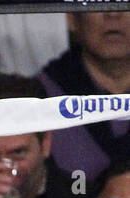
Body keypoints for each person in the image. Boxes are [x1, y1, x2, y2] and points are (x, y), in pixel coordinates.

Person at [39, 11, 130, 183]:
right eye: (96, 1)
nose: (113, 12)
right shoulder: (39, 98)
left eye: (124, 2)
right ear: (72, 19)